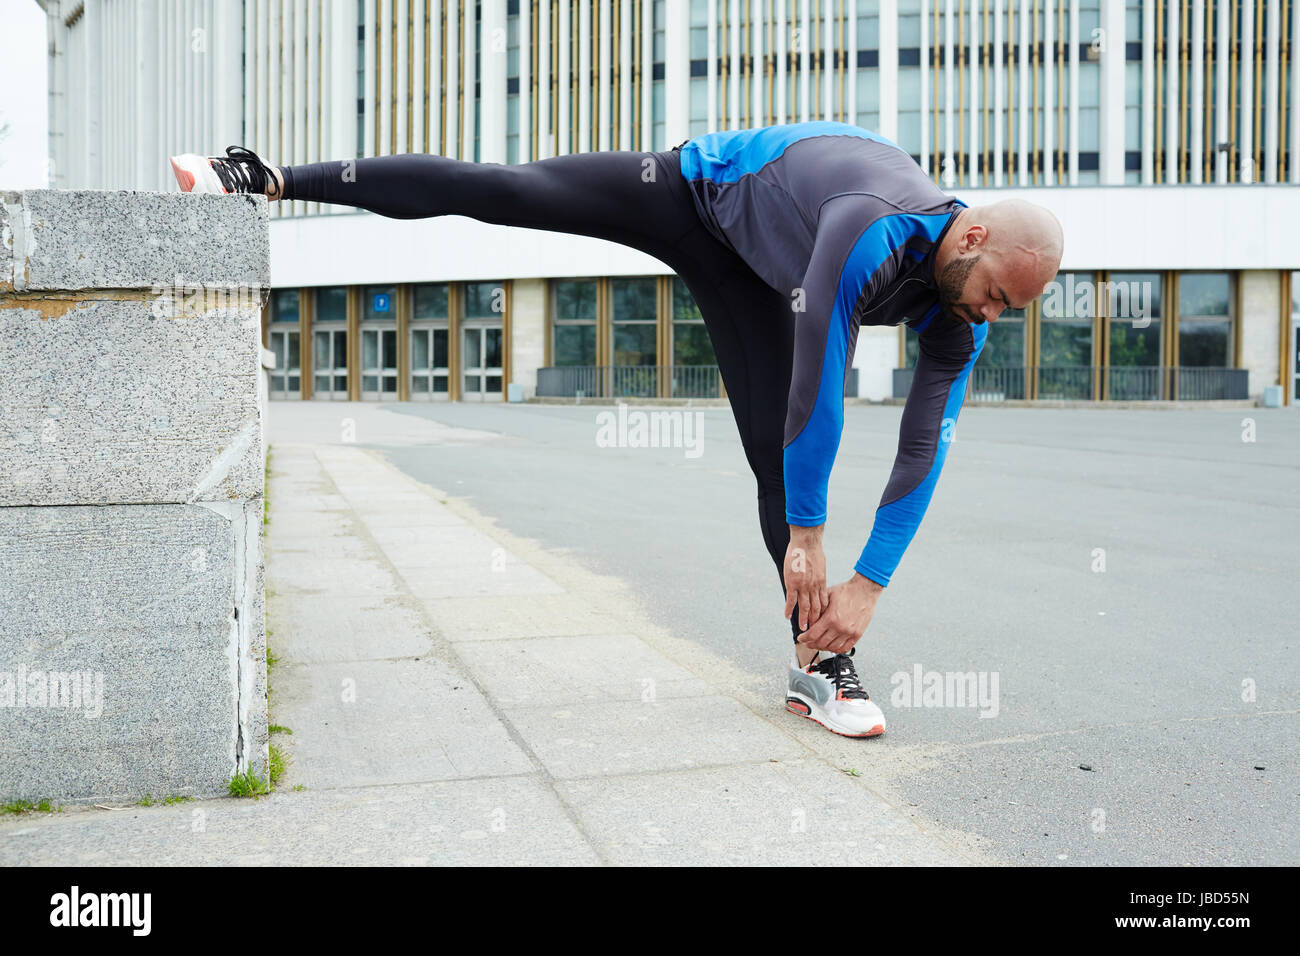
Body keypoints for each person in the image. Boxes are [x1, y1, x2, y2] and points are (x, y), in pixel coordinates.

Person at [171, 121, 1062, 739]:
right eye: (995, 292)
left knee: (769, 461)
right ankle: (262, 177)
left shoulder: (965, 317)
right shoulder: (871, 230)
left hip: (764, 278)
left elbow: (922, 447)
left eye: (1009, 309)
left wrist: (868, 580)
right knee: (505, 188)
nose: (992, 314)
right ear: (972, 231)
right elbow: (818, 387)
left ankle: (818, 665)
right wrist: (812, 532)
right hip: (692, 194)